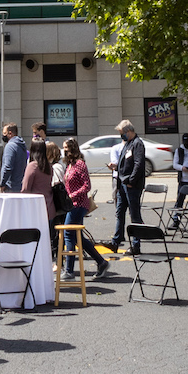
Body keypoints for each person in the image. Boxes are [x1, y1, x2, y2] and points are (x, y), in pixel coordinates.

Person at [57, 138, 106, 280]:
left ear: (72, 149)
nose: (64, 150)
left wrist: (73, 195)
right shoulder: (69, 165)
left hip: (79, 204)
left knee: (68, 233)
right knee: (77, 237)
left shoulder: (80, 164)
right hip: (71, 204)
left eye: (66, 148)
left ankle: (69, 271)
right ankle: (101, 262)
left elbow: (87, 186)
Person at [108, 120, 148, 254]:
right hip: (122, 183)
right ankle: (116, 241)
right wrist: (116, 166)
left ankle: (136, 245)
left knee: (134, 215)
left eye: (122, 133)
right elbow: (124, 161)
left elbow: (138, 164)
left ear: (129, 131)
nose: (121, 136)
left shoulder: (137, 144)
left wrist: (131, 180)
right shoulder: (128, 144)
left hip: (131, 185)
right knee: (120, 212)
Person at [0, 123, 28, 192]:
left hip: (10, 187)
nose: (3, 135)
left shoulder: (10, 146)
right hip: (19, 185)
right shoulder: (21, 146)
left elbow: (8, 167)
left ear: (10, 133)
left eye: (5, 133)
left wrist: (2, 183)